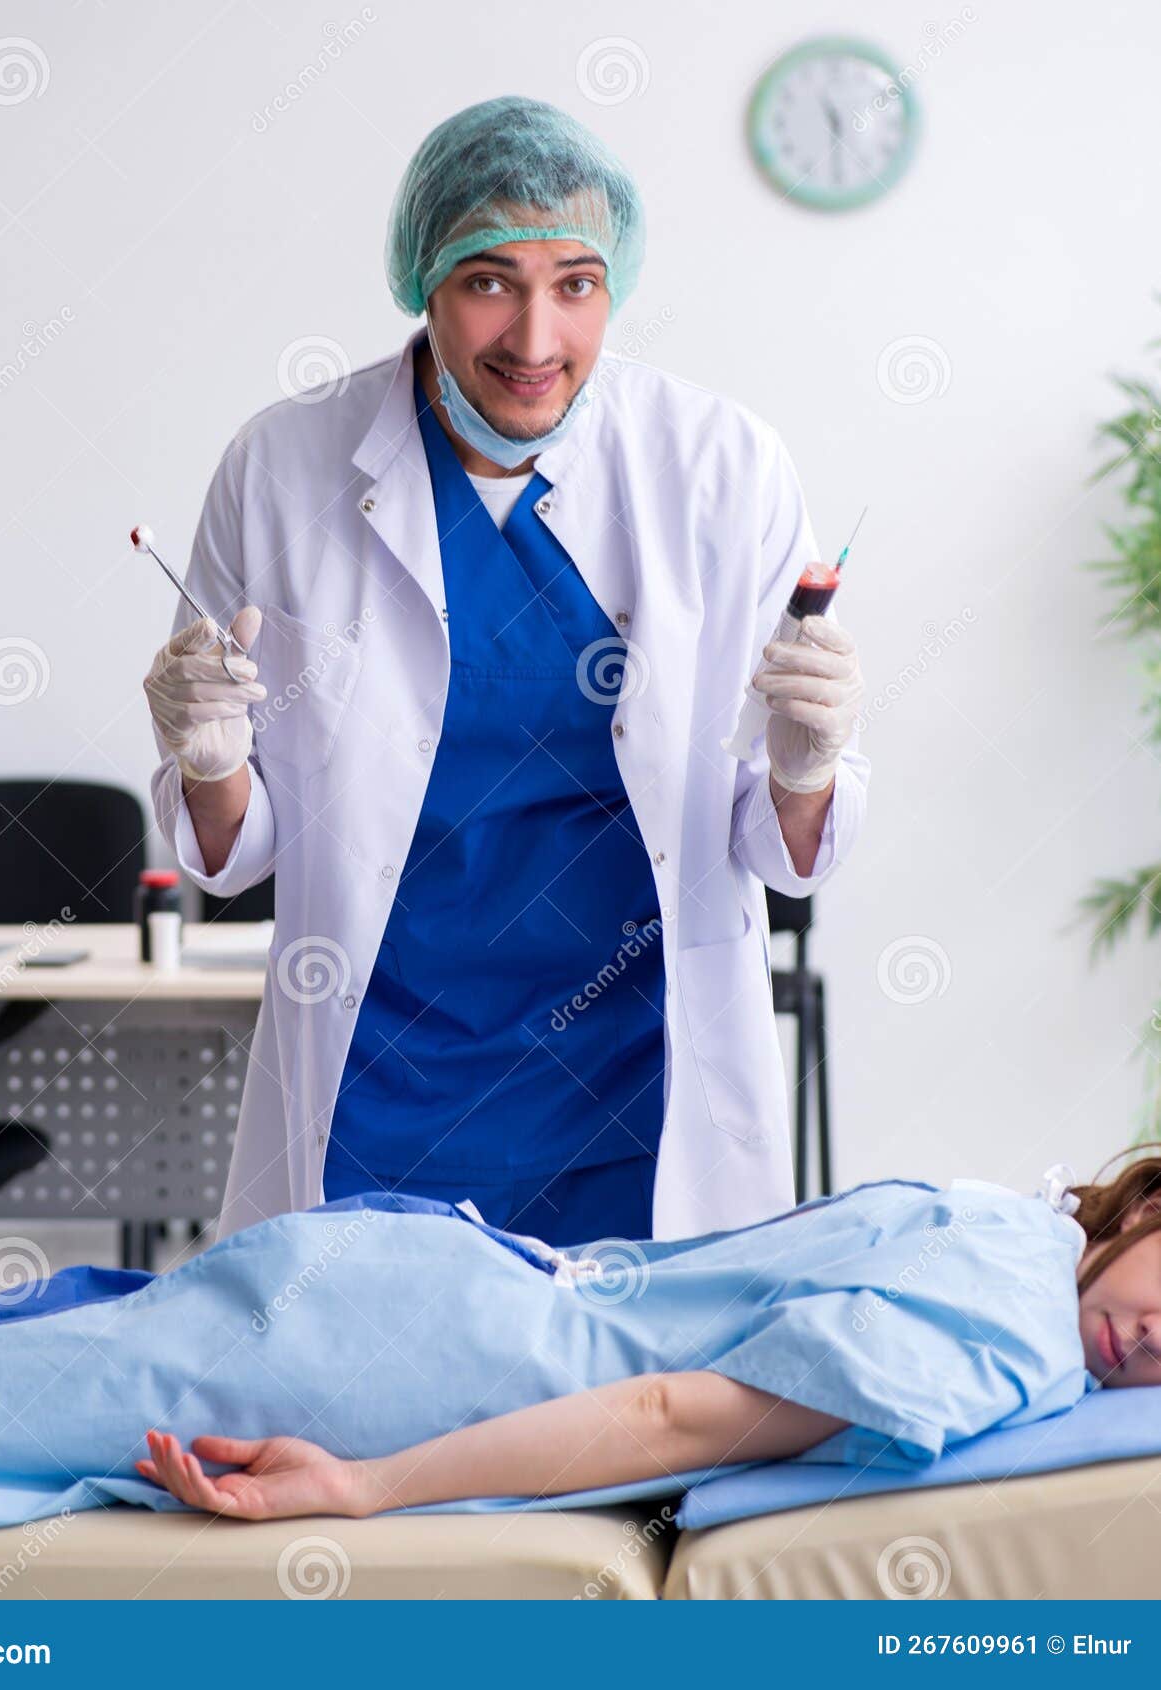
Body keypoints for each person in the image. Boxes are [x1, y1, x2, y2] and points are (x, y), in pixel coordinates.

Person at [141, 94, 870, 1250]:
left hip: (634, 1097)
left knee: (627, 1416)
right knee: (354, 1412)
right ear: (420, 276)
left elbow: (773, 852)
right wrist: (208, 756)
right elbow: (235, 856)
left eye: (574, 284)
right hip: (377, 1094)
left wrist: (806, 764)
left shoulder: (720, 467)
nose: (534, 341)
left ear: (613, 286)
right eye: (489, 280)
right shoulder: (280, 468)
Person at [0, 1151, 1154, 1543]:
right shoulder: (1002, 1323)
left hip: (414, 1276)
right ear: (1147, 1206)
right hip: (403, 1360)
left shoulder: (1007, 1223)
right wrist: (363, 1489)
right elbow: (674, 1413)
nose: (1154, 1340)